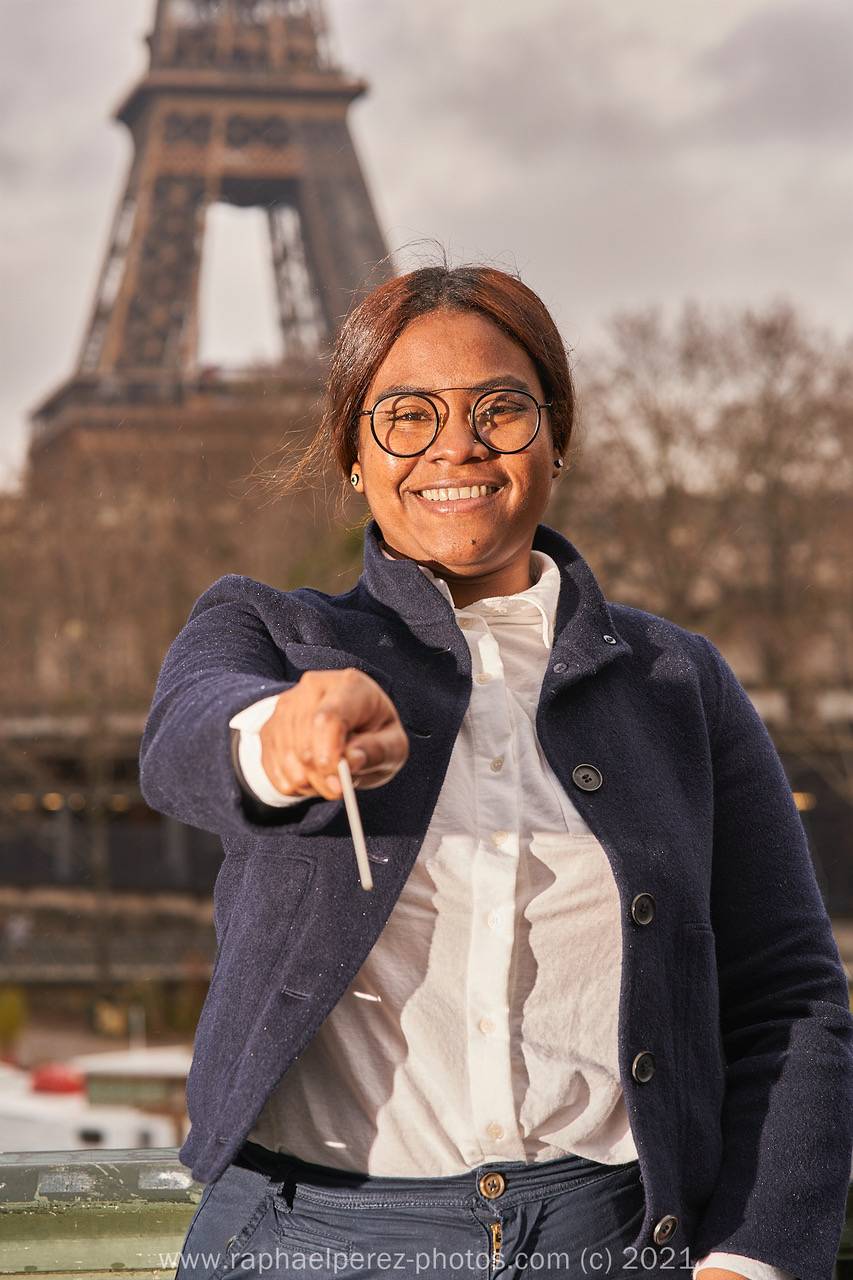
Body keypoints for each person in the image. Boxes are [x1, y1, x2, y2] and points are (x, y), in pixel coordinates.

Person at [139, 262, 853, 1280]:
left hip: (613, 1237)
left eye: (501, 409)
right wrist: (285, 733)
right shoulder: (269, 630)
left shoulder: (678, 681)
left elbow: (788, 994)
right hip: (304, 1240)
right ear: (353, 452)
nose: (456, 445)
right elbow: (184, 738)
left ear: (556, 436)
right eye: (406, 415)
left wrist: (755, 1253)